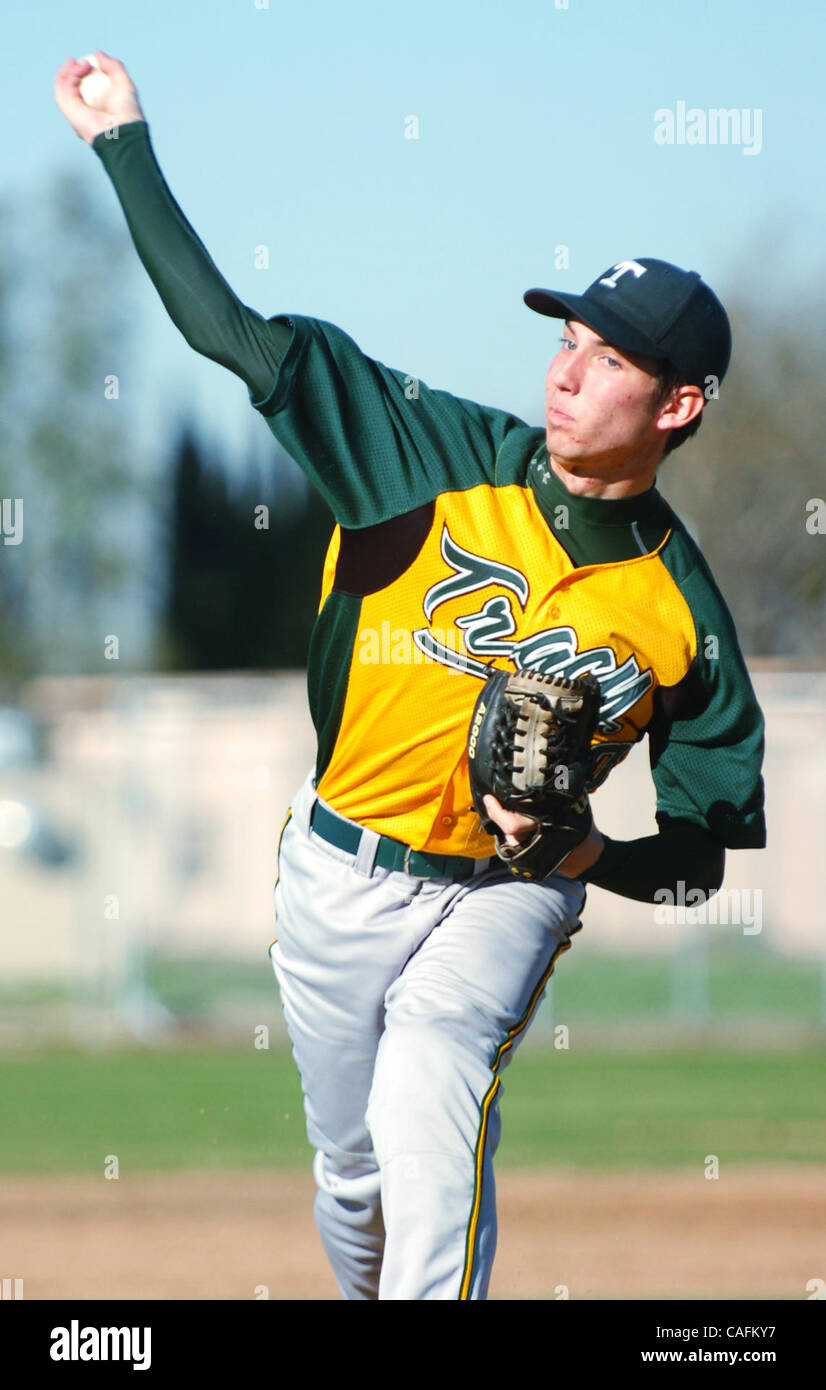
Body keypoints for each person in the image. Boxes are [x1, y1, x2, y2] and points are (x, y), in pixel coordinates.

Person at [55, 53, 766, 1301]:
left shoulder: (681, 615)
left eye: (607, 358)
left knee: (432, 1071)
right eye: (567, 337)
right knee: (354, 1175)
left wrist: (584, 856)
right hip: (337, 871)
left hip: (503, 891)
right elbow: (230, 335)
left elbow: (703, 848)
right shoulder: (425, 450)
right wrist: (125, 142)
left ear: (678, 404)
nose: (563, 368)